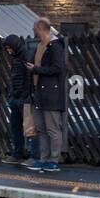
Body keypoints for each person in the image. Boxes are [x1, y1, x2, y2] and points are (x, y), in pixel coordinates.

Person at [24, 18, 66, 172]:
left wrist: (36, 69)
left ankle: (54, 160)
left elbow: (58, 68)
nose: (33, 31)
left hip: (52, 94)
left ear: (40, 28)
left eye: (34, 28)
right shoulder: (41, 46)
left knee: (53, 129)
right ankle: (43, 159)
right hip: (40, 93)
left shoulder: (55, 46)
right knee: (41, 128)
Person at [1, 35, 34, 164]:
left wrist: (25, 94)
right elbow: (14, 78)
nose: (8, 50)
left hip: (22, 97)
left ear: (14, 46)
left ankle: (32, 156)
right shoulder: (15, 57)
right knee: (15, 126)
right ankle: (17, 154)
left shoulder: (25, 55)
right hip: (16, 96)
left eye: (9, 48)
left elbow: (28, 76)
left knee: (30, 128)